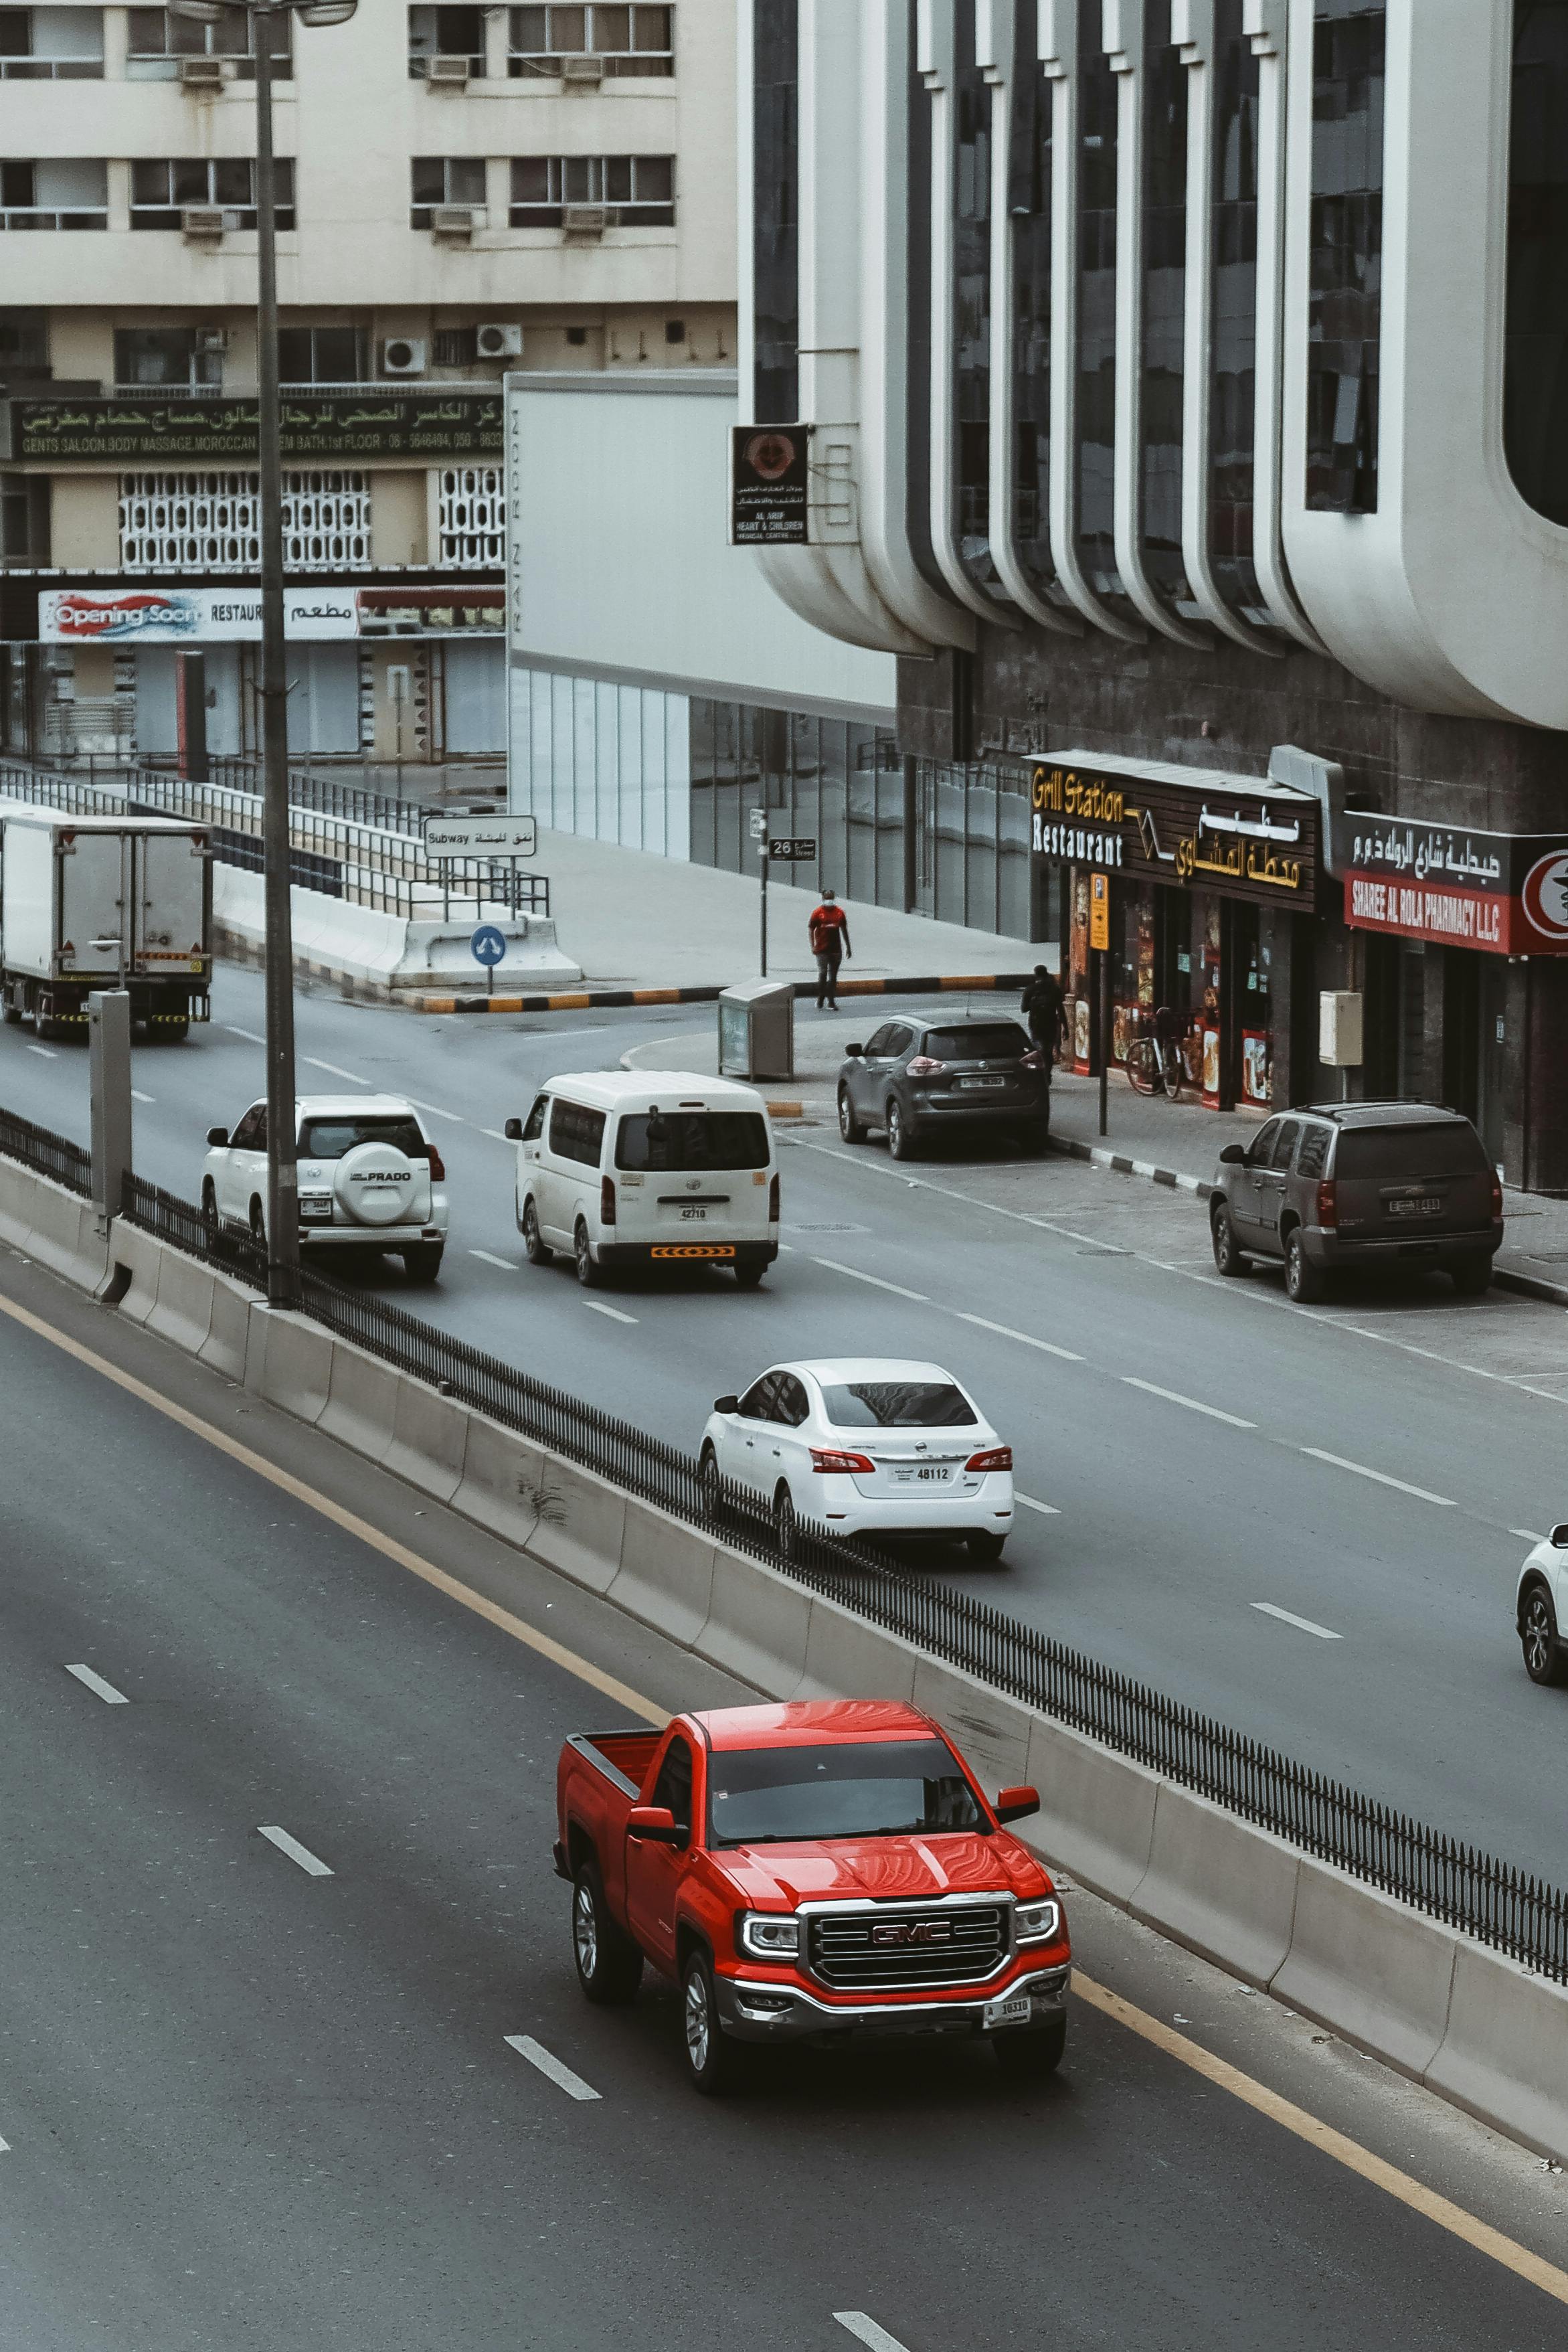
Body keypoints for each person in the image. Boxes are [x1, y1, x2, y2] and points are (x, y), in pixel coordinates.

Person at [1019, 963, 1068, 1131]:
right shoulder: (1054, 989)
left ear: (1035, 975)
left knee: (1039, 1051)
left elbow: (1023, 1009)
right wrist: (1066, 1029)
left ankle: (1043, 1076)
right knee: (1047, 1051)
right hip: (1051, 1025)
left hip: (1036, 1025)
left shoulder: (1031, 989)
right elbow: (1061, 1010)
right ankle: (1047, 1075)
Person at [808, 888, 852, 1009]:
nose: (829, 900)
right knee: (823, 973)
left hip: (836, 949)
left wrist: (848, 947)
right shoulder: (817, 913)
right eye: (827, 898)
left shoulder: (839, 913)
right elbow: (811, 929)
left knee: (833, 977)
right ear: (823, 899)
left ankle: (831, 1000)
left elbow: (844, 929)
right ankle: (821, 997)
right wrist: (813, 945)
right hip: (822, 949)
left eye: (830, 898)